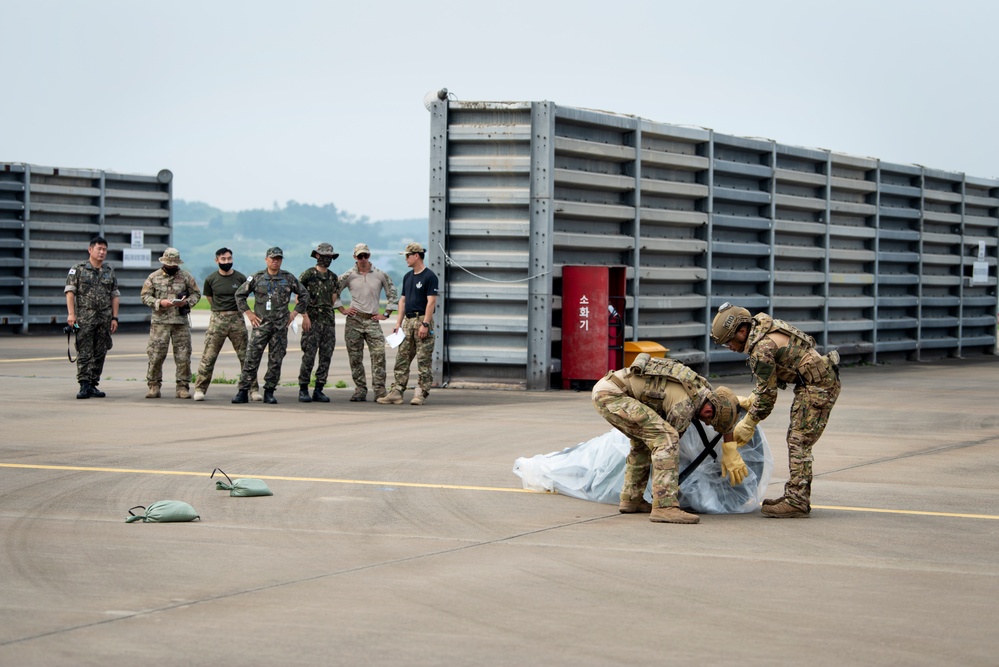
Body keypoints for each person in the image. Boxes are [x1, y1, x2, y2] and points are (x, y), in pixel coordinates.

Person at [710, 303, 841, 518]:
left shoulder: (761, 348)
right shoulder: (765, 327)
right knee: (798, 440)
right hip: (817, 381)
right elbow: (781, 368)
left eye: (729, 342)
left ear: (742, 332)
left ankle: (797, 501)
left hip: (817, 386)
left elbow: (768, 396)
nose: (730, 348)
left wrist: (749, 423)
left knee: (799, 441)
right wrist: (756, 397)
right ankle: (796, 497)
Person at [591, 354, 743, 524]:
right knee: (666, 439)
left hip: (608, 389)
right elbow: (669, 447)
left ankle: (632, 499)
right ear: (708, 411)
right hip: (612, 395)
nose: (704, 422)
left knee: (644, 442)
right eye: (708, 420)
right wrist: (668, 484)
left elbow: (725, 406)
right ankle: (665, 507)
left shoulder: (702, 389)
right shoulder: (684, 406)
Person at [231, 247, 310, 405]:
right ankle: (243, 391)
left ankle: (269, 391)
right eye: (273, 258)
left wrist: (294, 314)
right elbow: (239, 294)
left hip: (280, 327)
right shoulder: (256, 278)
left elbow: (304, 294)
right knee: (251, 359)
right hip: (261, 326)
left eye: (278, 259)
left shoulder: (288, 278)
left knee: (276, 360)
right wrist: (249, 313)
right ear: (266, 259)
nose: (276, 261)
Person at [192, 248, 260, 402]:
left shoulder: (240, 278)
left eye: (229, 258)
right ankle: (200, 389)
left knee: (246, 357)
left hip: (237, 319)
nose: (227, 262)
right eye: (223, 259)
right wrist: (219, 311)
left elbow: (245, 296)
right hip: (218, 321)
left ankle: (253, 389)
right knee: (209, 356)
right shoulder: (211, 279)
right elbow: (210, 298)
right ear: (217, 260)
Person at [377, 242, 438, 406]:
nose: (406, 259)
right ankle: (396, 391)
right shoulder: (408, 277)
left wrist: (425, 324)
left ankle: (420, 392)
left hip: (421, 320)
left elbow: (431, 302)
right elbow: (402, 300)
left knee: (423, 360)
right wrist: (398, 323)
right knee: (402, 358)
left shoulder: (429, 277)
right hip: (408, 322)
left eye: (407, 256)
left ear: (416, 255)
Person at [338, 243, 398, 402]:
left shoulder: (379, 275)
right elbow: (334, 291)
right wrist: (341, 309)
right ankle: (360, 389)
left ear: (369, 256)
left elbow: (392, 293)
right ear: (355, 257)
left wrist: (386, 313)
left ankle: (379, 390)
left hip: (372, 320)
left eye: (366, 256)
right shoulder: (348, 275)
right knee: (355, 357)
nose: (363, 259)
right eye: (360, 256)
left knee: (379, 354)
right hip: (354, 319)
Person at [139, 248, 201, 399]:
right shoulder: (153, 277)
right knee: (155, 355)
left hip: (180, 323)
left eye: (174, 265)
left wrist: (186, 303)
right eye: (169, 264)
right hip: (160, 324)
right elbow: (145, 296)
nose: (172, 267)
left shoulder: (186, 277)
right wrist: (160, 302)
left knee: (183, 356)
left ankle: (182, 387)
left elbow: (196, 294)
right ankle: (153, 385)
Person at [64, 236, 120, 399]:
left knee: (100, 351)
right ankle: (84, 384)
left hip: (104, 319)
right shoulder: (78, 269)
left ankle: (93, 384)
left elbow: (115, 295)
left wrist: (115, 318)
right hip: (84, 319)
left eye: (104, 249)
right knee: (84, 351)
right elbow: (70, 292)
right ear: (90, 250)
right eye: (99, 249)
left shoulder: (109, 271)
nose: (102, 252)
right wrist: (71, 314)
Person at [297, 242, 342, 403]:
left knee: (325, 357)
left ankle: (319, 389)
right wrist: (305, 316)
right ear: (317, 256)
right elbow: (299, 298)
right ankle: (303, 388)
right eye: (324, 256)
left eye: (329, 257)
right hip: (312, 320)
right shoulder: (307, 275)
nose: (327, 259)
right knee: (308, 356)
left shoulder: (332, 277)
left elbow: (333, 298)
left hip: (328, 321)